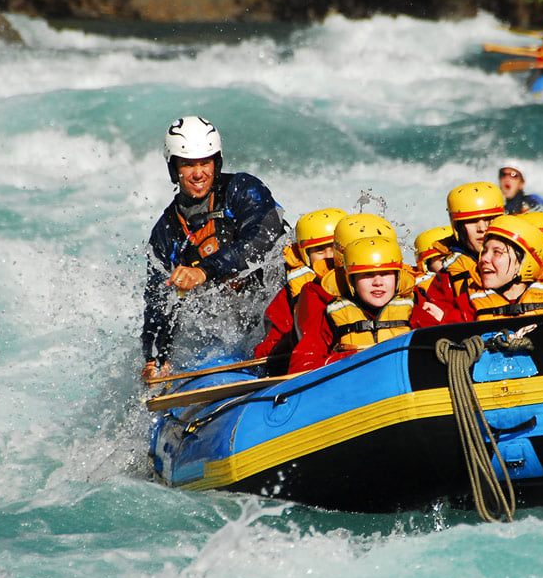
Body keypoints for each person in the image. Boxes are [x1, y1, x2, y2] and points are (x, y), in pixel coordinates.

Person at [142, 115, 287, 381]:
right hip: (231, 329)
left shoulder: (243, 190)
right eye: (188, 164)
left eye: (205, 162)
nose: (198, 173)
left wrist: (205, 271)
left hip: (280, 305)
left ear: (216, 163)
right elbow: (157, 303)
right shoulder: (166, 232)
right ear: (174, 169)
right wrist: (155, 359)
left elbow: (263, 237)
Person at [289, 236, 438, 373]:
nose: (378, 282)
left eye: (386, 274)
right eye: (367, 275)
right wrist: (348, 359)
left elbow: (442, 348)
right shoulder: (332, 316)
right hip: (354, 386)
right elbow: (301, 366)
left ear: (397, 278)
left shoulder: (411, 311)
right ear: (351, 280)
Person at [253, 207, 346, 363]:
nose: (329, 256)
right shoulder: (290, 294)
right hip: (313, 359)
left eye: (334, 247)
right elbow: (272, 341)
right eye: (319, 250)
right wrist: (287, 344)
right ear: (305, 255)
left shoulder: (368, 280)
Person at [424, 182, 507, 308]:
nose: (482, 228)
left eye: (489, 219)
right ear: (458, 228)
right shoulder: (445, 276)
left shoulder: (523, 259)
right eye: (472, 221)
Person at [413, 225, 453, 291]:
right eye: (443, 260)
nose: (452, 263)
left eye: (458, 258)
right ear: (427, 265)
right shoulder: (424, 286)